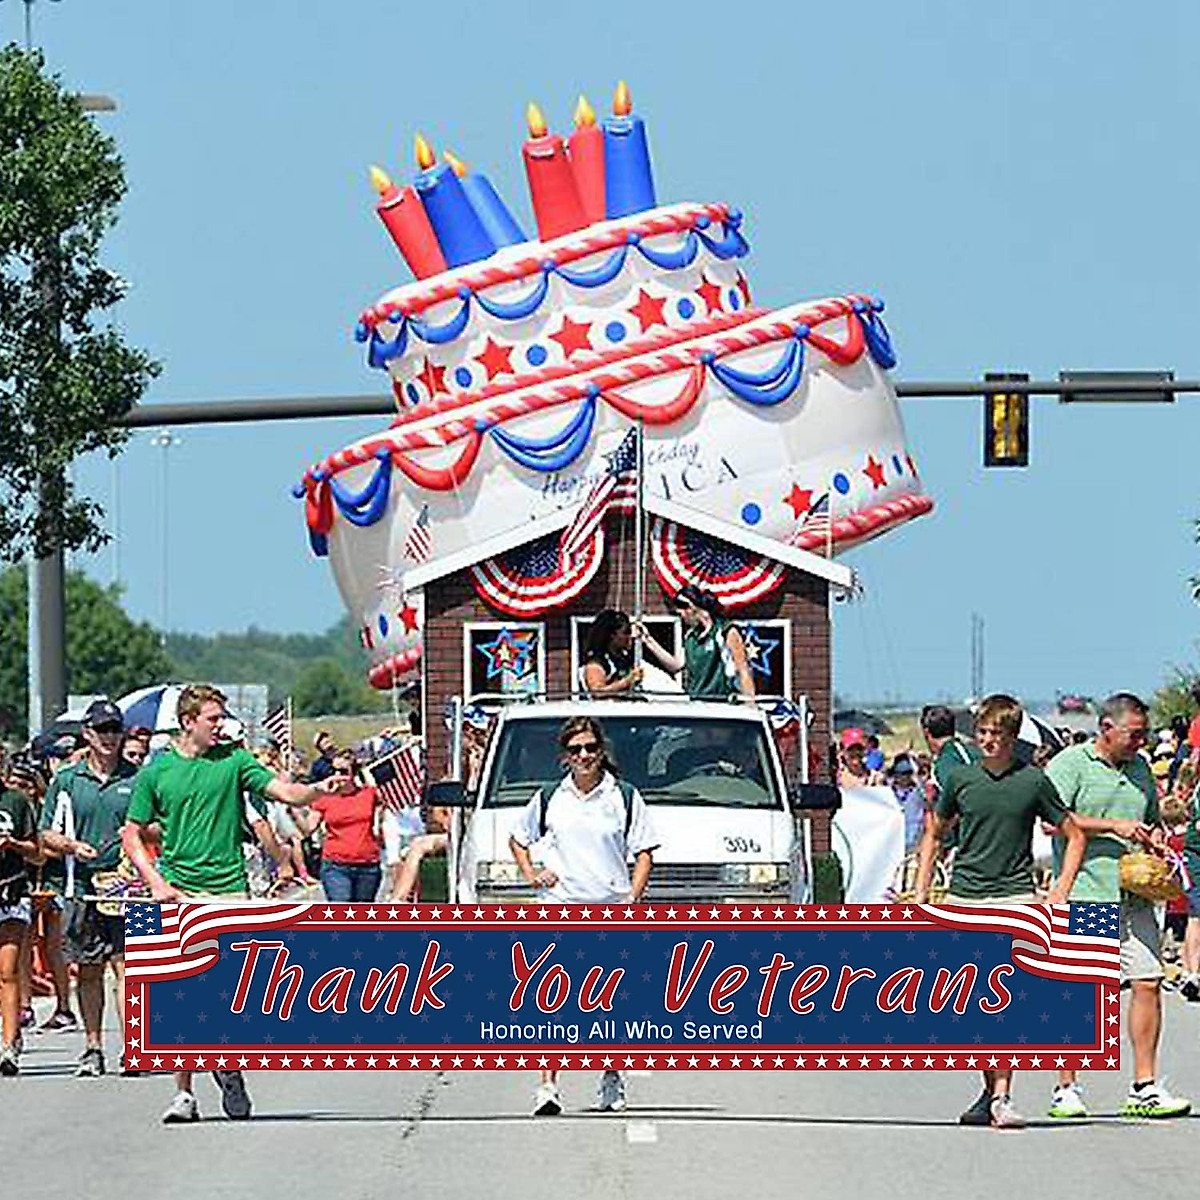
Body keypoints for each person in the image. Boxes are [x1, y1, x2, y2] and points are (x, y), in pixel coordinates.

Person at [121, 684, 327, 1124]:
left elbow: (286, 794)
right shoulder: (157, 771)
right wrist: (154, 881)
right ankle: (184, 1093)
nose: (221, 725)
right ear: (188, 722)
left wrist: (321, 789)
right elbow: (131, 832)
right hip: (177, 888)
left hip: (229, 888)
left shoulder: (234, 761)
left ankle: (227, 1061)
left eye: (222, 718)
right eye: (213, 719)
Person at [914, 694, 1087, 1129]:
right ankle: (989, 1092)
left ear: (1013, 738)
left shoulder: (1032, 781)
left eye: (997, 735)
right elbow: (934, 834)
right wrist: (920, 895)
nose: (988, 741)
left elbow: (1073, 834)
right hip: (965, 896)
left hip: (1014, 897)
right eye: (983, 733)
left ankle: (1004, 1096)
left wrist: (1060, 890)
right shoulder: (960, 780)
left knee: (1003, 1003)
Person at [1043, 692, 1190, 1120]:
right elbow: (1053, 819)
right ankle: (1065, 1087)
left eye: (1144, 734)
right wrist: (1113, 826)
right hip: (1088, 889)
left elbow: (1151, 819)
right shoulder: (1072, 764)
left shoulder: (1141, 768)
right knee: (1083, 992)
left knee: (1148, 982)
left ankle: (1144, 1085)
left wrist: (1155, 837)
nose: (1141, 742)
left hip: (1136, 893)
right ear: (1107, 728)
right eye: (1134, 734)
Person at [509, 716, 658, 1117]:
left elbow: (644, 852)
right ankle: (548, 1086)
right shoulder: (549, 797)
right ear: (564, 756)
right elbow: (518, 839)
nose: (584, 756)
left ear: (601, 750)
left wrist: (632, 897)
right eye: (575, 750)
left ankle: (611, 1076)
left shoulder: (623, 796)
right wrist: (531, 874)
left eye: (590, 748)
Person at [37, 699, 138, 1078]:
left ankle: (132, 1047)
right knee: (90, 968)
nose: (111, 737)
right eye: (104, 729)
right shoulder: (67, 780)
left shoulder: (136, 777)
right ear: (88, 734)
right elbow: (46, 833)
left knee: (126, 967)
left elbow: (159, 826)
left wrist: (135, 836)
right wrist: (72, 847)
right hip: (80, 885)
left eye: (116, 729)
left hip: (126, 885)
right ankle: (93, 1046)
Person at [292, 749, 383, 902]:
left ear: (353, 773)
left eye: (342, 771)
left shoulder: (369, 794)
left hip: (368, 866)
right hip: (336, 866)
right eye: (332, 771)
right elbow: (308, 828)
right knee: (342, 911)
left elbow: (385, 812)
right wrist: (294, 812)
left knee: (363, 920)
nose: (337, 775)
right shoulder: (325, 798)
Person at [0, 760, 44, 1076]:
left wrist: (11, 843)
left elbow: (37, 852)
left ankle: (9, 1044)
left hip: (10, 890)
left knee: (7, 971)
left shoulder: (15, 801)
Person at [637, 585, 754, 700]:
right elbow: (676, 665)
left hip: (721, 703)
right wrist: (648, 640)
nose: (682, 618)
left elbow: (743, 670)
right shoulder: (691, 636)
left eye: (681, 613)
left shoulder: (725, 631)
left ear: (691, 608)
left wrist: (750, 704)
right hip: (696, 703)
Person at [578, 609, 643, 696]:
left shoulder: (625, 660)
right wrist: (626, 682)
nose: (630, 636)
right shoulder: (596, 663)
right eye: (626, 632)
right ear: (612, 635)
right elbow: (597, 693)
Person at [888, 754, 926, 853]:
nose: (904, 777)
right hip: (892, 843)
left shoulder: (918, 791)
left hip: (914, 842)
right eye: (901, 773)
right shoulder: (888, 791)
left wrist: (912, 759)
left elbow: (920, 777)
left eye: (907, 773)